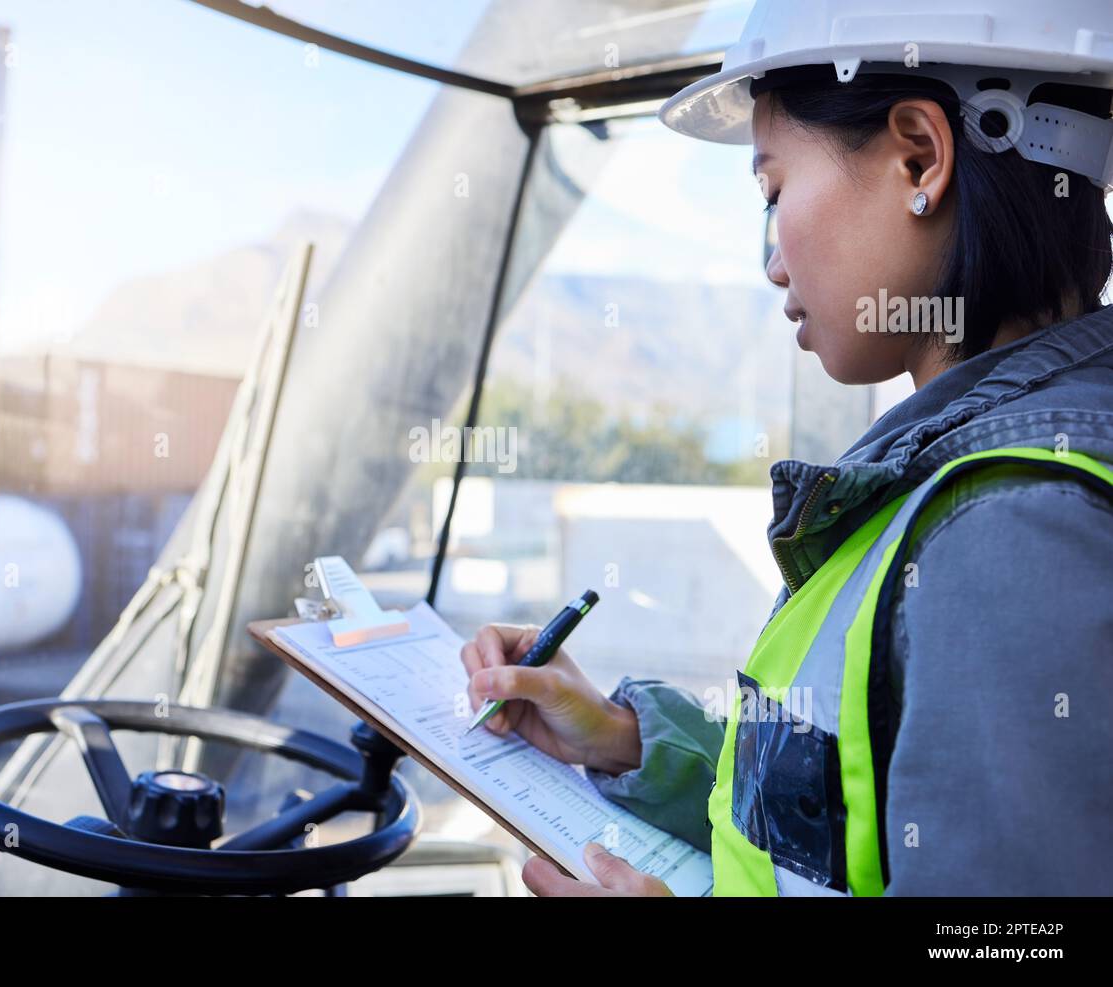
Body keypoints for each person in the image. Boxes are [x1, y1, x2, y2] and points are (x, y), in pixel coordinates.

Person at [460, 0, 1113, 897]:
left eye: (773, 193)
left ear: (919, 155)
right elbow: (862, 823)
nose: (771, 261)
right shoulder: (971, 479)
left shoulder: (1015, 525)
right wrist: (628, 739)